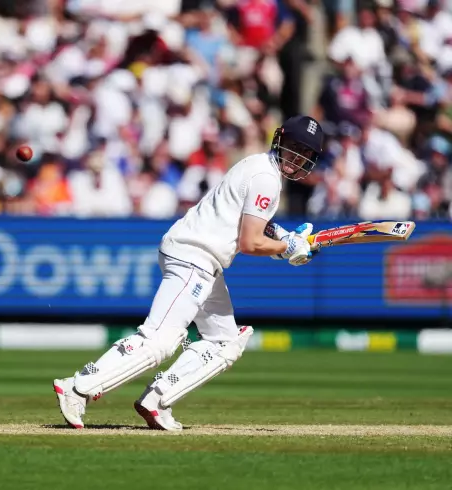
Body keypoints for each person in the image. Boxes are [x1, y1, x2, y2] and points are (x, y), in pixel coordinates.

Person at [53, 115, 324, 430]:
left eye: (305, 153)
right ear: (279, 140)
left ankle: (157, 400)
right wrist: (288, 247)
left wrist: (283, 239)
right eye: (293, 147)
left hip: (202, 260)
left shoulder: (256, 166)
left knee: (224, 342)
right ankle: (77, 387)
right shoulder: (267, 178)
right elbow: (250, 242)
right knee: (160, 341)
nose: (297, 158)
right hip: (193, 256)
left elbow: (247, 223)